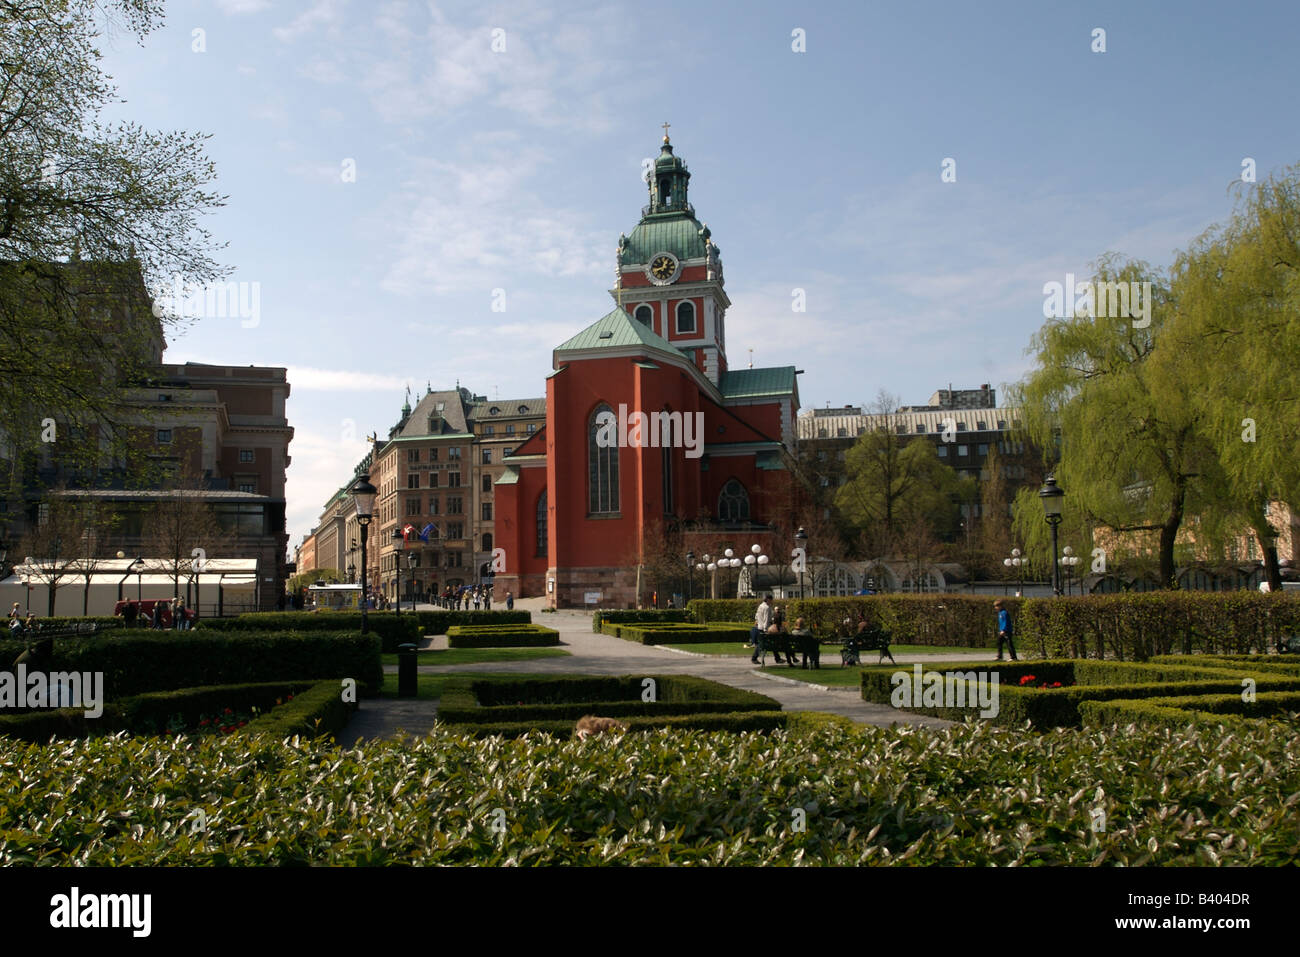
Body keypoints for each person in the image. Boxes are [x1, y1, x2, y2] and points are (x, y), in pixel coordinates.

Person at [751, 594, 772, 664]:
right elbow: (766, 620)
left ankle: (777, 657)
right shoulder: (767, 607)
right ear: (768, 600)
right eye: (771, 600)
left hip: (759, 627)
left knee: (761, 643)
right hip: (764, 628)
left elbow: (756, 616)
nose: (771, 602)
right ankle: (754, 658)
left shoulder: (760, 606)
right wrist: (766, 630)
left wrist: (758, 622)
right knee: (761, 644)